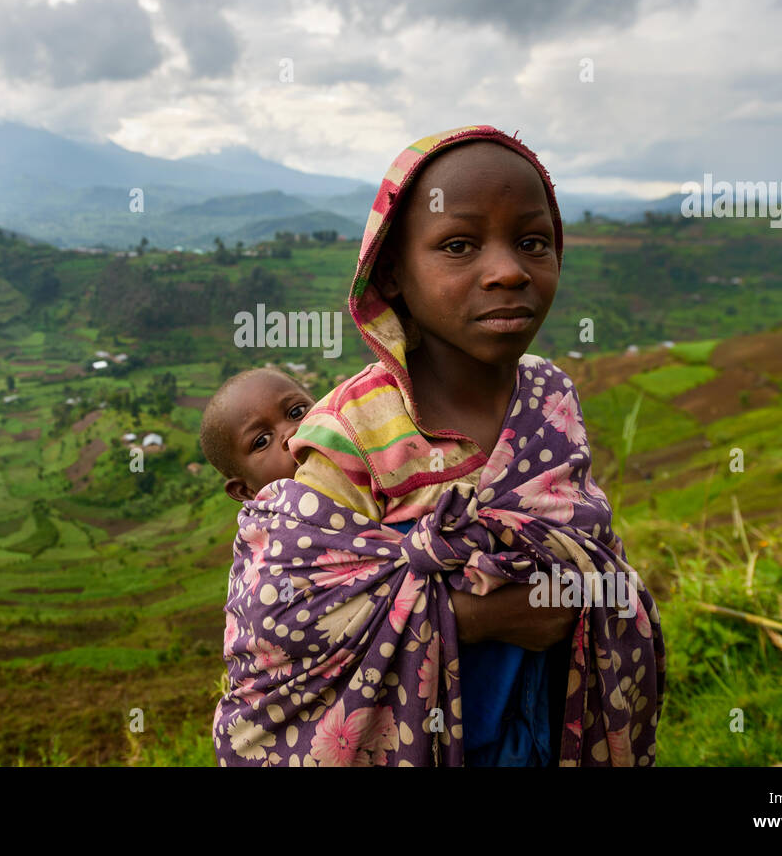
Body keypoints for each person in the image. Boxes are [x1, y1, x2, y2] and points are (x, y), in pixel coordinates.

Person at [287, 126, 579, 766]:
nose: (508, 271)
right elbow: (291, 615)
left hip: (538, 727)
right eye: (458, 245)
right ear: (392, 273)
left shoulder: (551, 398)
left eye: (533, 242)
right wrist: (489, 615)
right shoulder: (351, 435)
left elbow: (581, 540)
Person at [199, 367, 315, 502]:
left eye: (297, 412)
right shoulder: (273, 524)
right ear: (246, 491)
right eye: (262, 441)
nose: (292, 432)